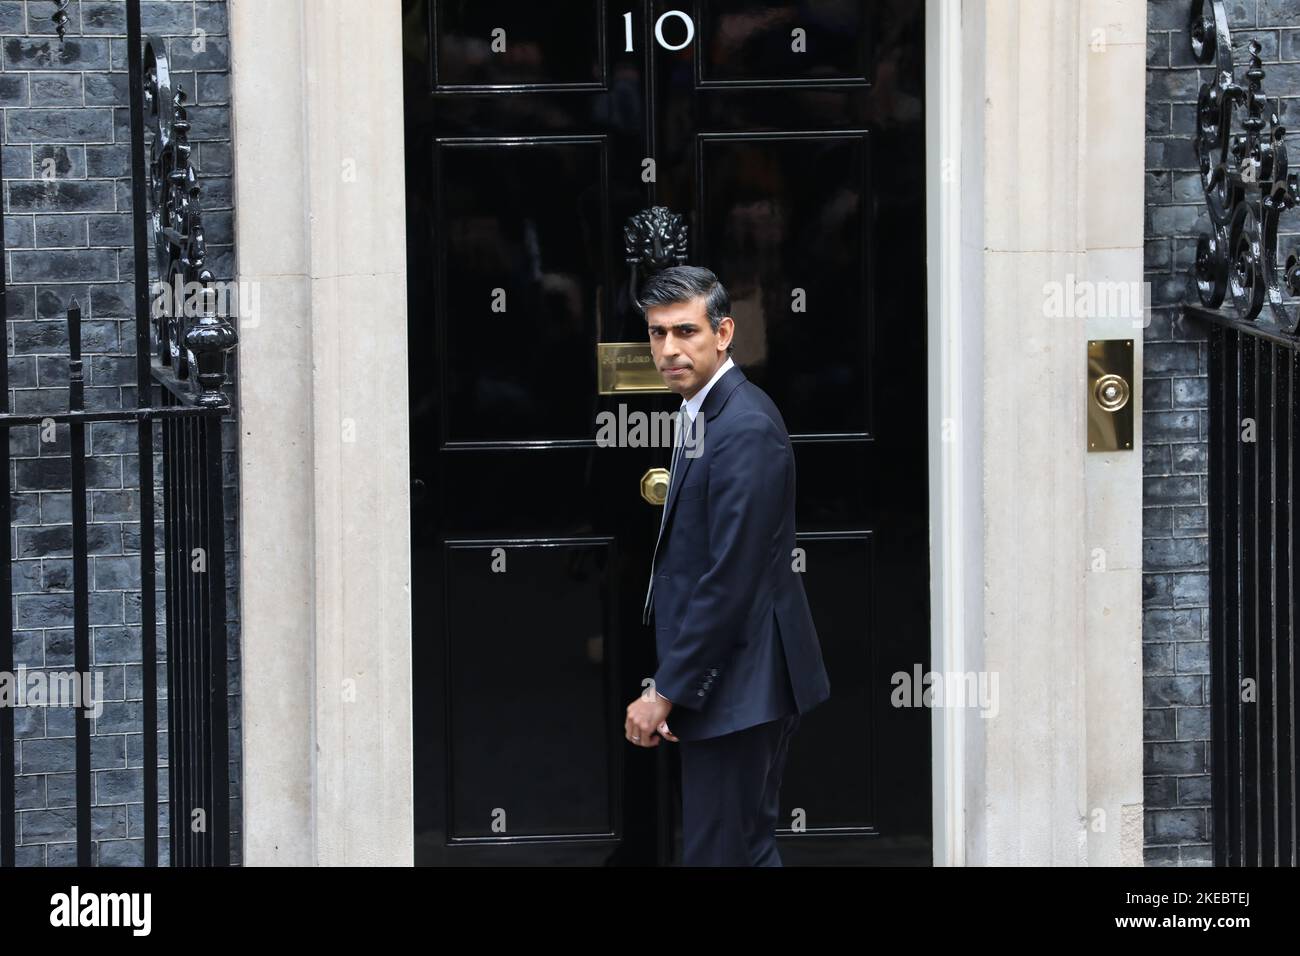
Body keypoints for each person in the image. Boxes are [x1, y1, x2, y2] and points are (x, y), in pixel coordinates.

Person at [623, 265, 831, 866]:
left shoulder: (743, 427)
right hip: (734, 681)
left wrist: (666, 690)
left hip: (741, 685)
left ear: (724, 332)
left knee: (723, 854)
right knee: (743, 852)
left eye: (685, 331)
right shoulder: (704, 411)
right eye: (657, 334)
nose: (668, 349)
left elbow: (731, 578)